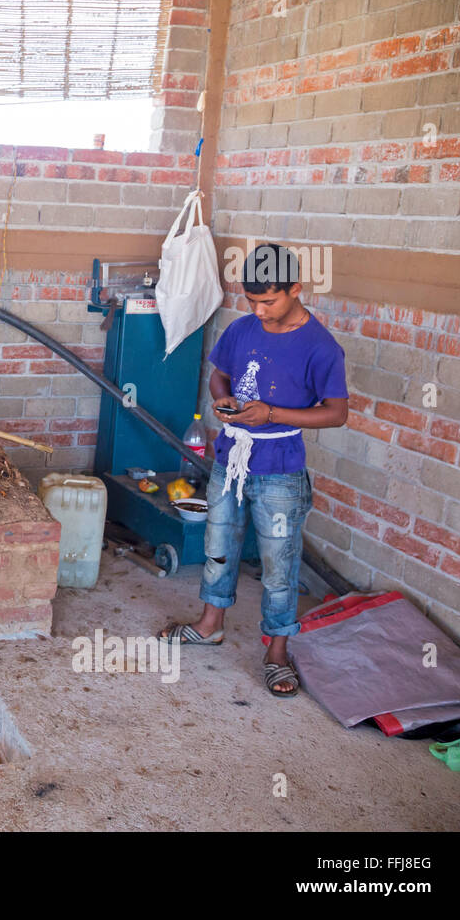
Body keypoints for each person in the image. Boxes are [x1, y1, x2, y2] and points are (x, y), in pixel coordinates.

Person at [159, 243, 348, 697]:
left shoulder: (321, 347)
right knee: (218, 543)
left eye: (269, 301)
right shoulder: (243, 330)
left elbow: (336, 413)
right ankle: (210, 625)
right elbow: (220, 375)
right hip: (231, 460)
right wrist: (222, 400)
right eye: (252, 301)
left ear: (296, 289)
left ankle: (277, 652)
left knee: (279, 564)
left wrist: (273, 414)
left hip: (280, 469)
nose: (259, 311)